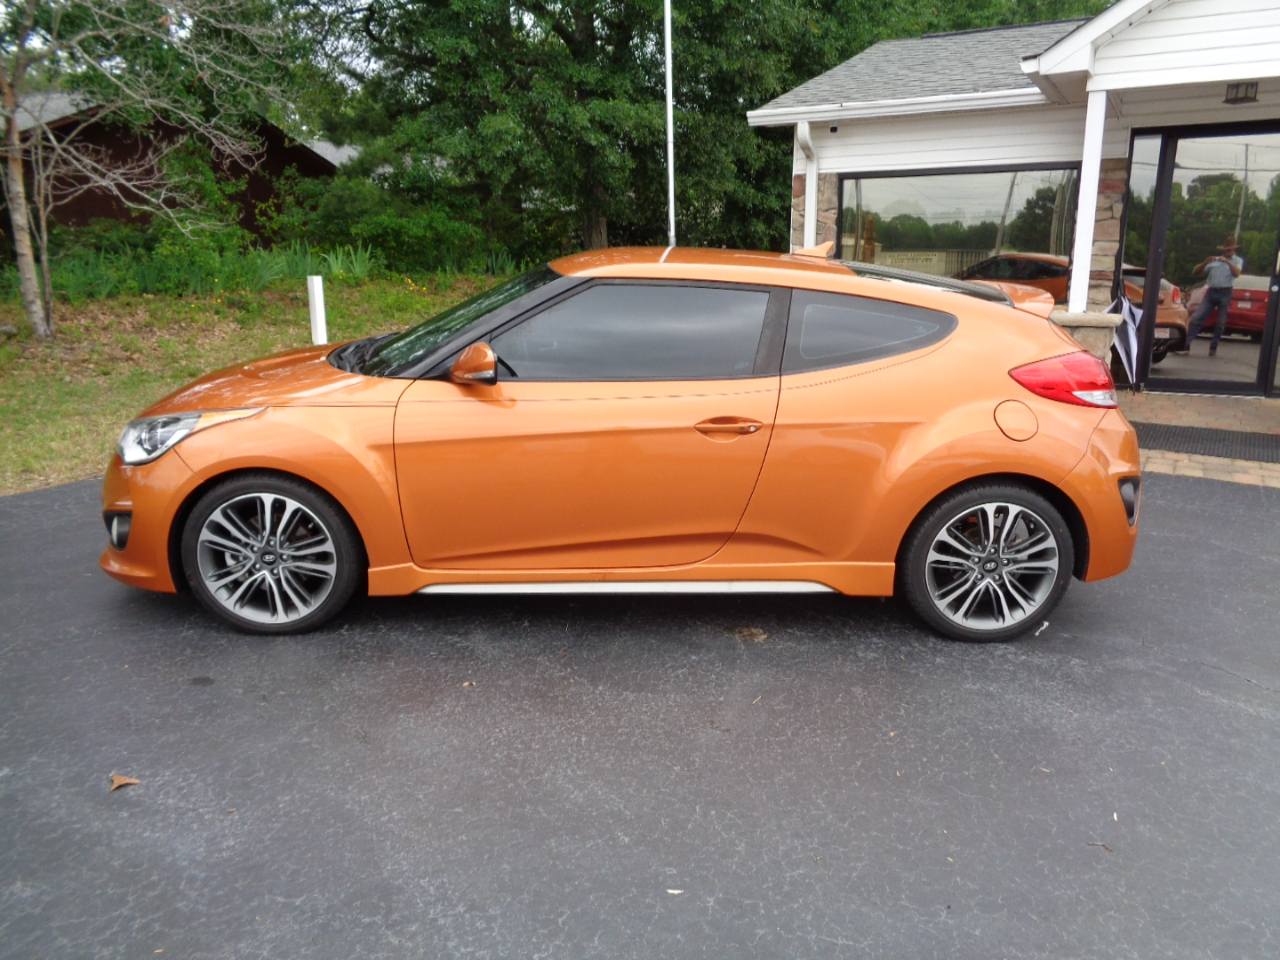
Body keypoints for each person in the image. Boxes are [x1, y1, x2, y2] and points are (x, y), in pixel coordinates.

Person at [1177, 235, 1243, 357]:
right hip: (1211, 292)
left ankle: (1213, 347)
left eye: (1229, 250)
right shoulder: (1215, 261)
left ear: (1234, 250)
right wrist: (1204, 263)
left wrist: (1228, 262)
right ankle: (1186, 344)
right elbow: (1196, 272)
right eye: (1226, 249)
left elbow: (1237, 273)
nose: (1227, 252)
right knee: (1197, 317)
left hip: (1225, 292)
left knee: (1221, 322)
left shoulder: (1237, 261)